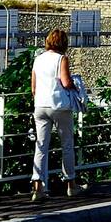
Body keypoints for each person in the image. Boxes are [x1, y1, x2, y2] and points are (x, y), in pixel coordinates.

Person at [30, 29, 83, 201]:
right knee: (67, 145)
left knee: (41, 146)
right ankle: (71, 185)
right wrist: (77, 88)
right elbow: (66, 82)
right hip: (59, 106)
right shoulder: (62, 58)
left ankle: (37, 187)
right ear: (63, 43)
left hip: (40, 105)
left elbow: (33, 87)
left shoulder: (38, 59)